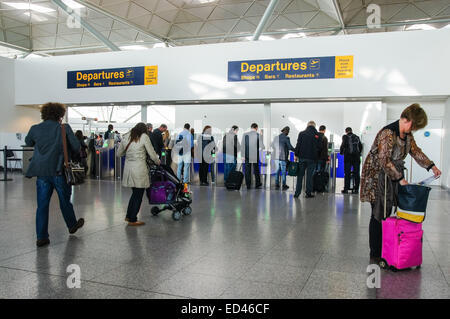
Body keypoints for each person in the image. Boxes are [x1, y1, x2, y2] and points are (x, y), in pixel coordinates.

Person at [360, 104, 441, 262]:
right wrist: (400, 178)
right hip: (377, 177)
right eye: (414, 125)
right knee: (378, 212)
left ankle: (388, 248)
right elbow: (384, 159)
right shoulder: (388, 133)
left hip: (392, 175)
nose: (414, 129)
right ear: (406, 119)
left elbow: (415, 151)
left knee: (388, 211)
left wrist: (432, 166)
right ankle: (375, 253)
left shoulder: (408, 135)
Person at [24, 102, 85, 247]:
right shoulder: (64, 128)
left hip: (42, 173)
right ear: (60, 115)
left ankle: (41, 237)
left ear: (44, 114)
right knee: (64, 200)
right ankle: (71, 225)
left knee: (42, 205)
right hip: (59, 171)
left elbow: (28, 142)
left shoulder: (35, 128)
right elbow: (76, 147)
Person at [118, 122, 161, 226]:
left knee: (135, 194)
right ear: (144, 130)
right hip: (139, 170)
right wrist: (158, 161)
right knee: (138, 195)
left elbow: (119, 153)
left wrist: (128, 154)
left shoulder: (126, 136)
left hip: (129, 170)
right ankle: (133, 219)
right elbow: (151, 153)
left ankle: (129, 216)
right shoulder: (144, 137)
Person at [294, 121, 321, 198]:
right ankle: (308, 193)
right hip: (312, 159)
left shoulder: (302, 133)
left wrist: (296, 154)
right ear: (314, 126)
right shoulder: (317, 135)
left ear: (307, 125)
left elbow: (298, 144)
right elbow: (319, 147)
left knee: (300, 176)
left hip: (302, 158)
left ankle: (297, 193)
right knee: (309, 177)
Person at [241, 123, 264, 189]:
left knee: (247, 170)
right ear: (256, 128)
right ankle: (257, 184)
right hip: (255, 155)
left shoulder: (245, 135)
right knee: (256, 169)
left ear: (251, 127)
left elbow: (242, 146)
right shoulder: (258, 135)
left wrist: (242, 155)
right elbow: (262, 146)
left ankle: (248, 185)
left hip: (247, 155)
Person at [340, 127, 363, 194]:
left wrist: (341, 152)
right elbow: (360, 146)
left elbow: (343, 145)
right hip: (356, 158)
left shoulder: (345, 137)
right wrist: (358, 153)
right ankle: (356, 189)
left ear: (346, 131)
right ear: (351, 131)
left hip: (348, 158)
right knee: (356, 173)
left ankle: (346, 189)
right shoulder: (357, 137)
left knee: (347, 173)